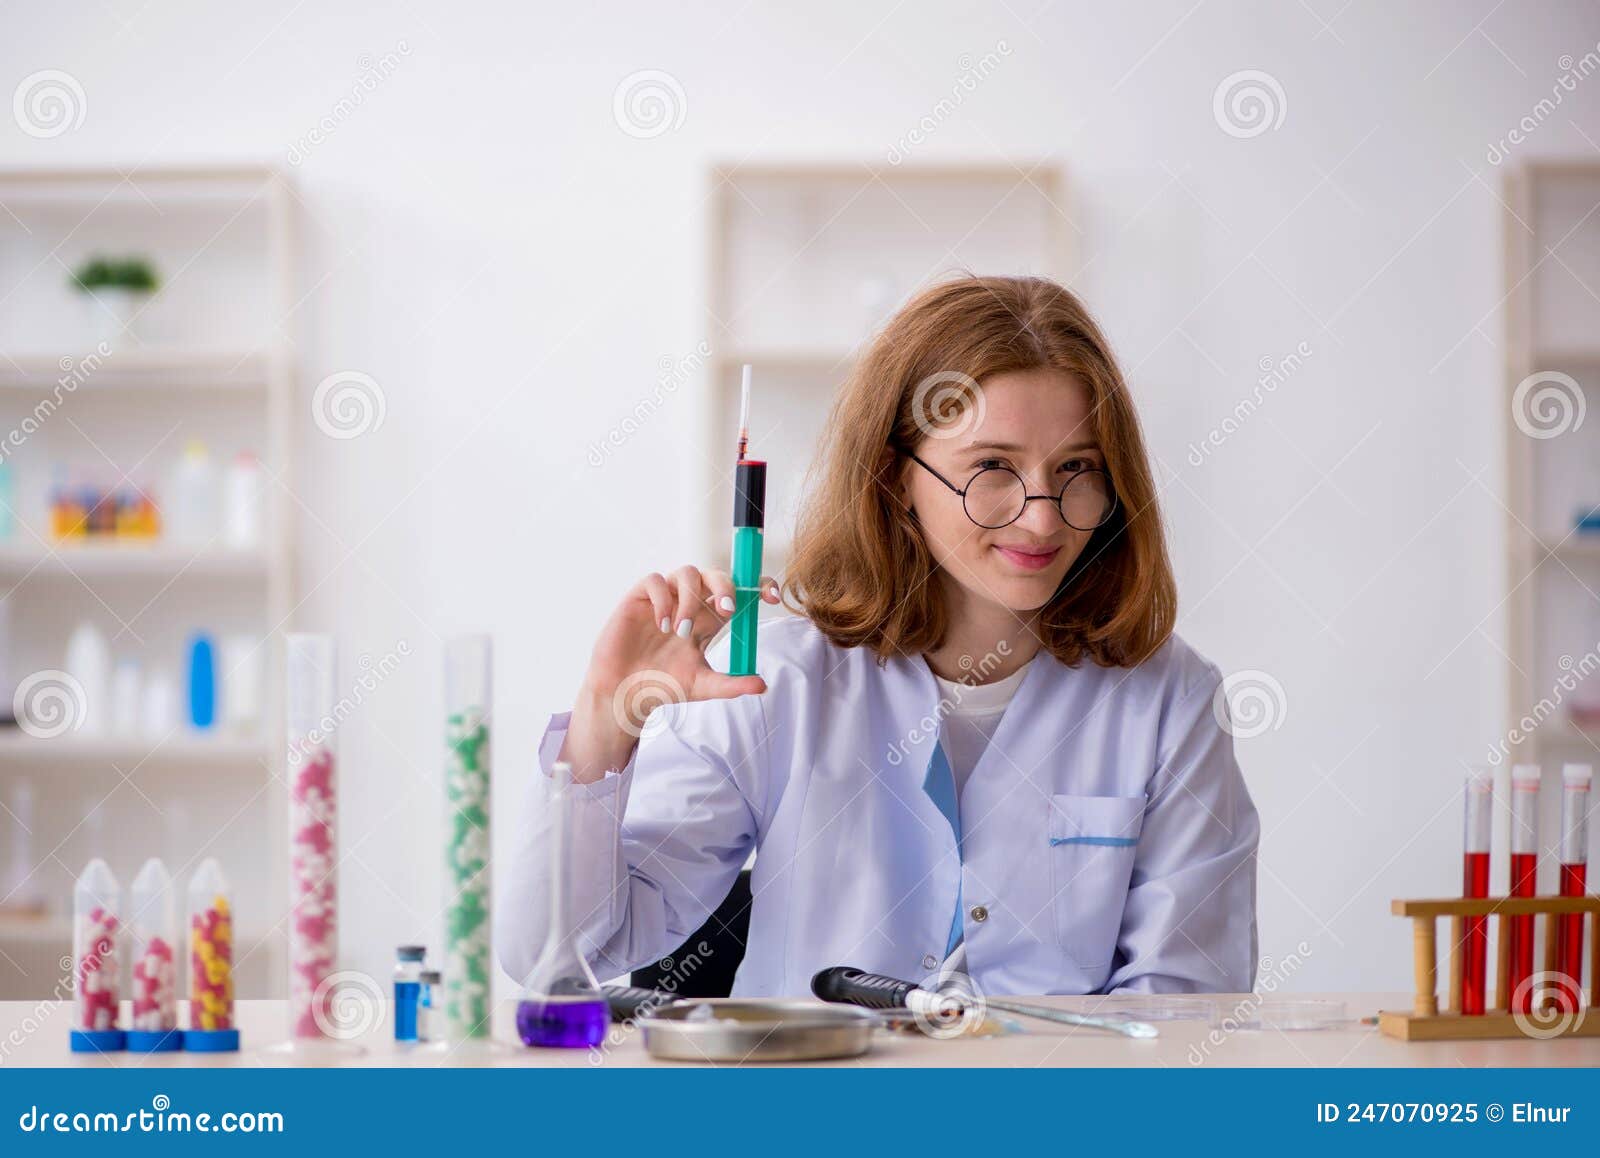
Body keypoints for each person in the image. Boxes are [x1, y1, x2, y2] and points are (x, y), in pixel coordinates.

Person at [498, 274, 1260, 997]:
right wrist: (604, 723)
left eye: (1076, 468)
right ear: (897, 477)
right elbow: (559, 955)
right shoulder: (774, 680)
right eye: (993, 466)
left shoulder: (1170, 698)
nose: (1040, 517)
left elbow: (1187, 1005)